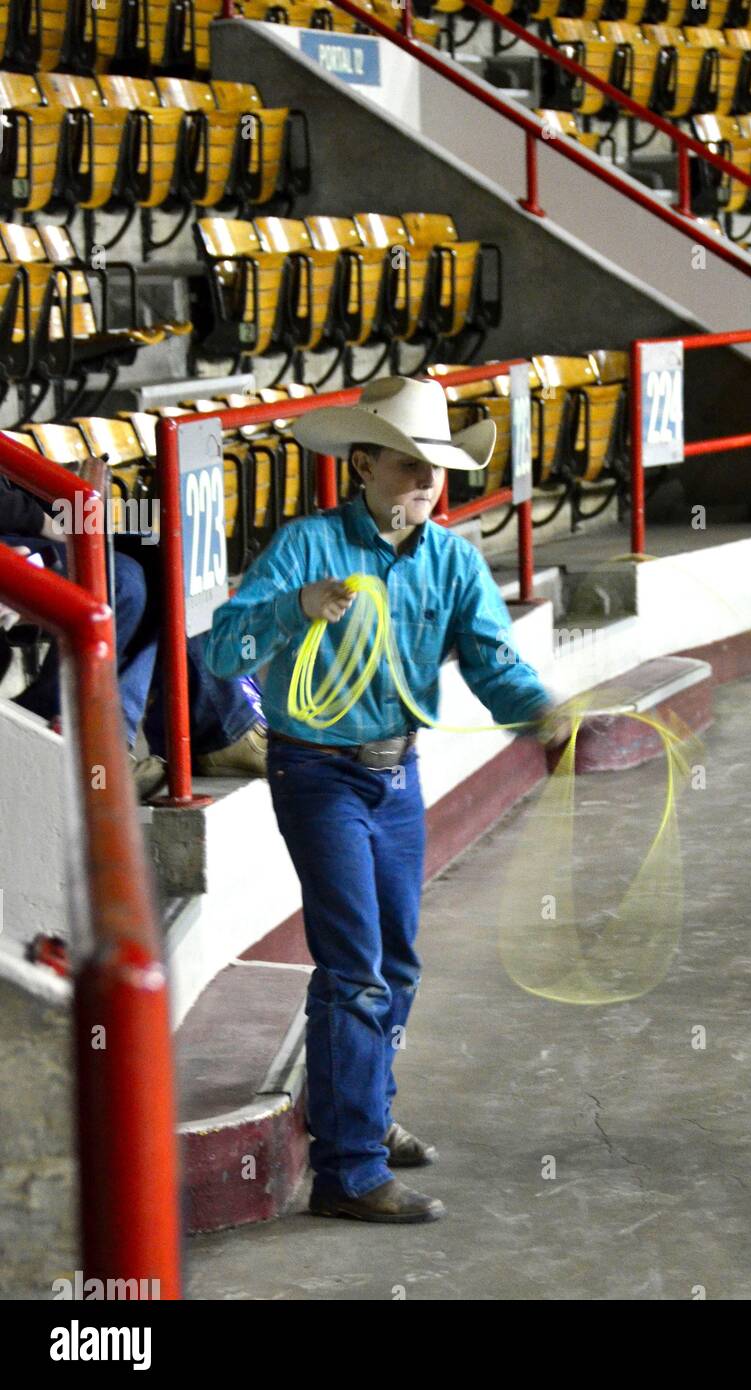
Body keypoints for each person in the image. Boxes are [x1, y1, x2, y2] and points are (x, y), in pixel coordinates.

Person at [205, 375, 570, 1225]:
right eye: (409, 465)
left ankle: (357, 1110)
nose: (424, 483)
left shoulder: (450, 560)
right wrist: (298, 607)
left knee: (392, 961)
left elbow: (492, 663)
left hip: (397, 770)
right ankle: (350, 1166)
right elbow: (224, 652)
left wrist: (547, 716)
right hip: (317, 770)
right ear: (363, 463)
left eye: (434, 469)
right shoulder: (305, 547)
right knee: (357, 963)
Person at [0, 476, 265, 797]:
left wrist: (70, 511)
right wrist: (49, 522)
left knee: (162, 551)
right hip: (18, 538)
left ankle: (222, 735)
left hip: (25, 528)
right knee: (121, 581)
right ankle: (79, 740)